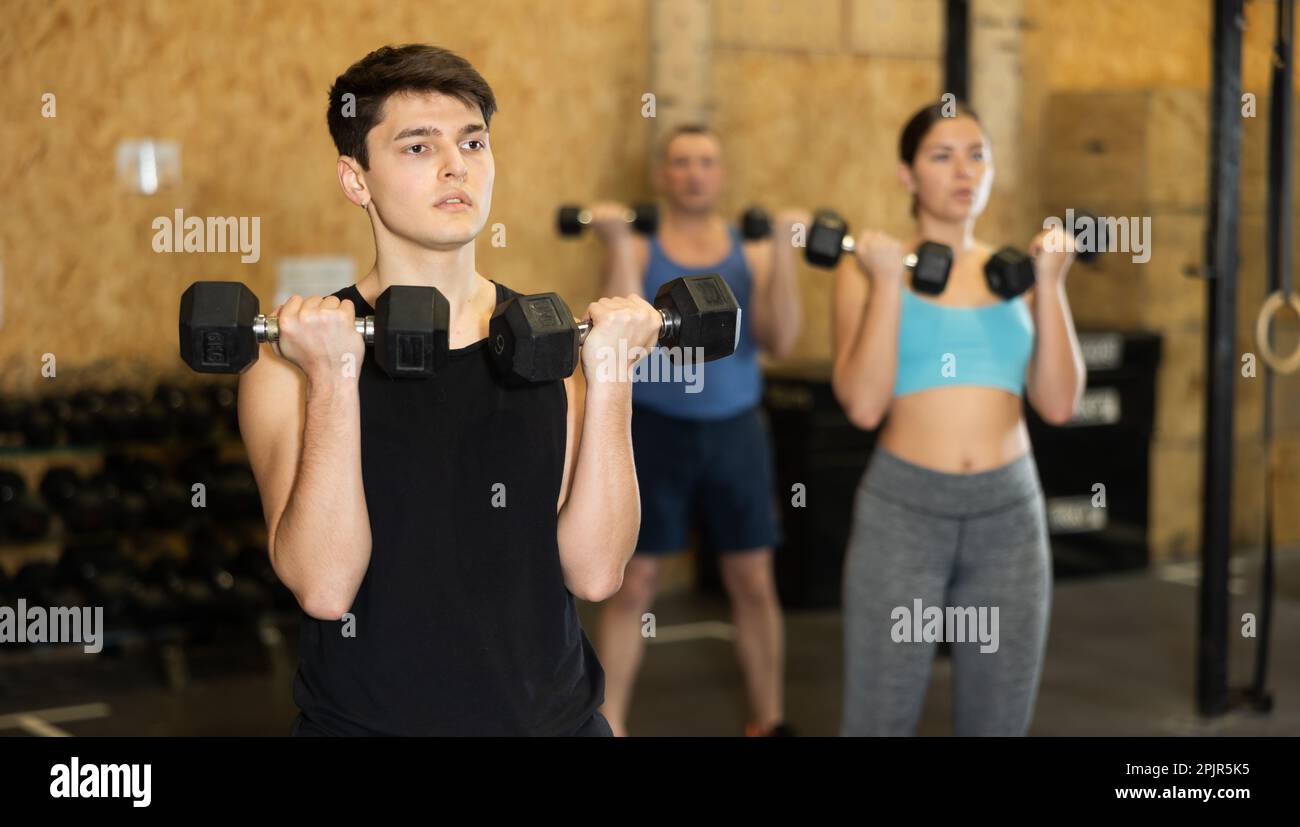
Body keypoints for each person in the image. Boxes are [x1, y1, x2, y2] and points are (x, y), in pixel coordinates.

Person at [238, 43, 661, 736]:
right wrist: (336, 377)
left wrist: (613, 379)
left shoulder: (554, 345)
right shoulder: (286, 364)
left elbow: (595, 573)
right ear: (356, 179)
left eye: (472, 141)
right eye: (416, 146)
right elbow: (324, 583)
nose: (455, 164)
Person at [833, 101, 1085, 736]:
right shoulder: (865, 269)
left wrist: (1052, 286)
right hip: (904, 511)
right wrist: (889, 284)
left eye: (978, 155)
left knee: (997, 723)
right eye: (941, 156)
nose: (963, 170)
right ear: (906, 175)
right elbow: (863, 406)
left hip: (1009, 513)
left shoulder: (1019, 276)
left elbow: (1059, 403)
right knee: (877, 719)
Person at [589, 125, 803, 736]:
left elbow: (783, 342)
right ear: (662, 176)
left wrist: (785, 251)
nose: (693, 173)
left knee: (753, 579)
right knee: (634, 583)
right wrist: (619, 238)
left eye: (706, 162)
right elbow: (621, 332)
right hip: (654, 429)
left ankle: (768, 721)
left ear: (722, 174)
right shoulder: (640, 246)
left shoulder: (753, 251)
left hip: (736, 432)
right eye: (681, 162)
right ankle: (610, 725)